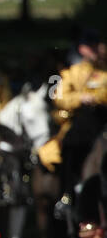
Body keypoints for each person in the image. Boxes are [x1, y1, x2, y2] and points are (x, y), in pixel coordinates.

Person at [38, 29, 107, 174]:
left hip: (103, 118)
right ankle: (68, 187)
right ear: (82, 49)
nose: (95, 50)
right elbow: (60, 98)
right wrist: (80, 98)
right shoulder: (72, 73)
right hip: (80, 119)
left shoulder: (104, 73)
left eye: (96, 46)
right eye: (91, 46)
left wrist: (99, 98)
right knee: (69, 143)